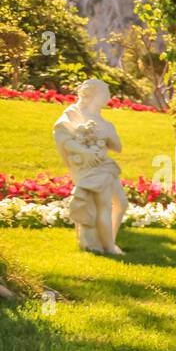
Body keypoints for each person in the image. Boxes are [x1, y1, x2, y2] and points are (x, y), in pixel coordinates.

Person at [52, 79, 127, 255]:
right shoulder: (73, 114)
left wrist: (108, 132)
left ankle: (108, 239)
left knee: (121, 204)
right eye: (105, 93)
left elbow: (117, 147)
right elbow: (63, 137)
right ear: (93, 95)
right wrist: (84, 151)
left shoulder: (103, 121)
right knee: (104, 206)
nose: (108, 97)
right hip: (87, 167)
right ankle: (108, 246)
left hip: (105, 166)